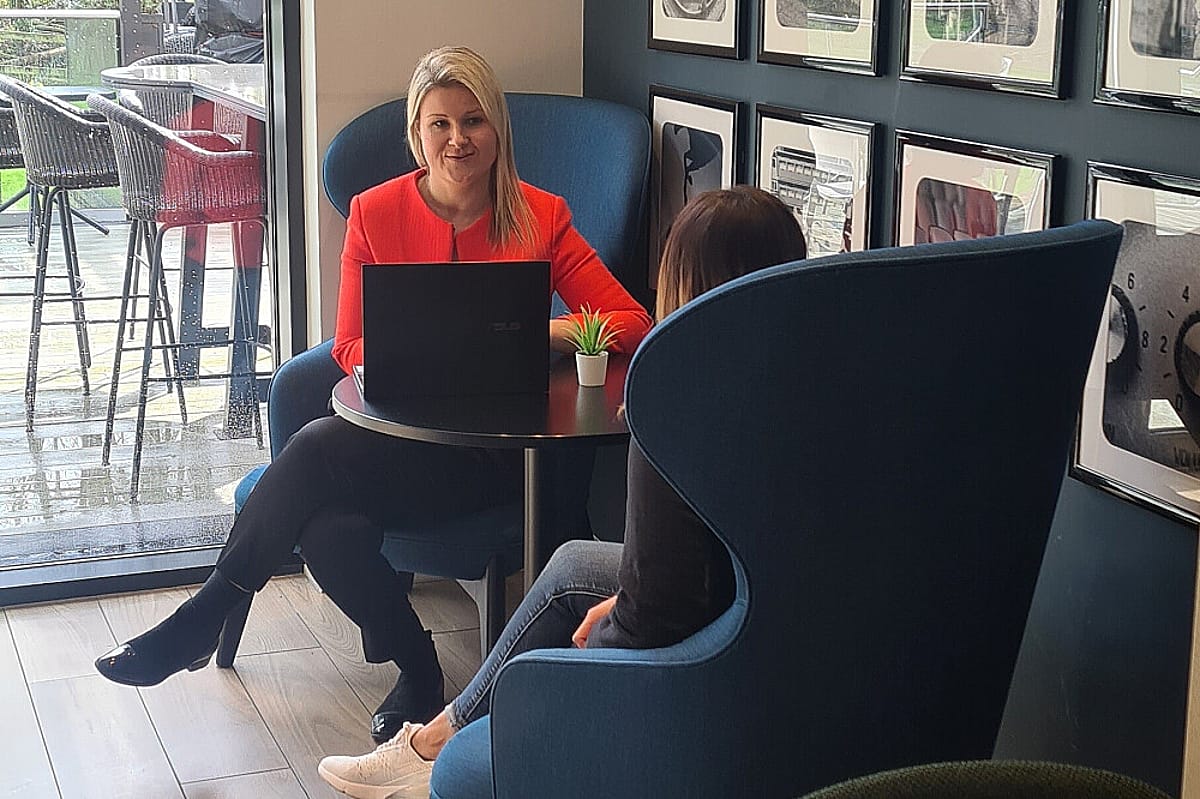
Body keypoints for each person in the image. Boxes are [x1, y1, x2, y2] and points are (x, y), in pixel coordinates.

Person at [93, 46, 653, 746]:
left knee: (314, 453)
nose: (457, 139)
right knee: (326, 525)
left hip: (500, 455)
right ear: (416, 133)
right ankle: (420, 668)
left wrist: (542, 334)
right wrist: (410, 357)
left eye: (474, 120)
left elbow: (631, 321)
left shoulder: (540, 215)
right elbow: (349, 344)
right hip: (402, 445)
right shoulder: (376, 211)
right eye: (440, 123)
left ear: (497, 128)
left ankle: (201, 620)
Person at [315, 185, 809, 799]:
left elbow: (660, 610)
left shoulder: (674, 404)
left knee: (319, 460)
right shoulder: (812, 380)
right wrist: (628, 594)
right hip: (773, 608)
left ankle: (438, 745)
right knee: (574, 561)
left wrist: (604, 632)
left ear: (686, 281)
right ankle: (439, 733)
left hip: (718, 636)